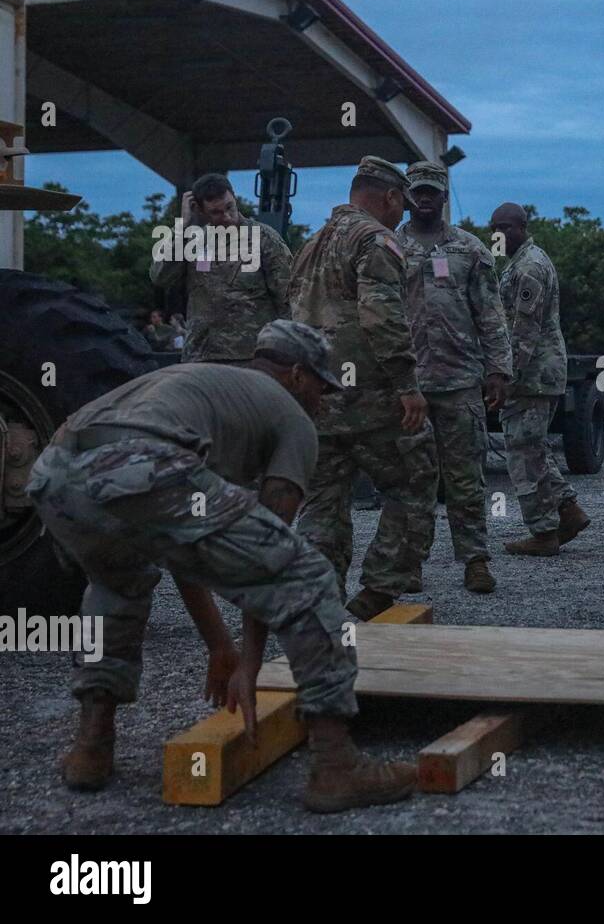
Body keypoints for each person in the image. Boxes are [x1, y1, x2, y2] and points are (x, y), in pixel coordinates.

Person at [26, 321, 417, 812]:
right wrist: (251, 662)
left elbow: (185, 545)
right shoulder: (292, 417)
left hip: (55, 475)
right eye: (321, 386)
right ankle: (336, 764)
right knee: (310, 577)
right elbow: (272, 562)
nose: (323, 400)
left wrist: (222, 647)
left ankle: (91, 747)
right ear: (297, 374)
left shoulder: (206, 384)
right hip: (141, 463)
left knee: (118, 584)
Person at [290, 157, 435, 621]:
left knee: (323, 503)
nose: (403, 215)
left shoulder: (311, 244)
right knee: (414, 482)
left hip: (316, 397)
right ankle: (380, 587)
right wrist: (407, 384)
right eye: (401, 205)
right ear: (390, 198)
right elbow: (382, 316)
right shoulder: (376, 240)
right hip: (369, 397)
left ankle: (319, 601)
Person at [399, 160, 512, 594]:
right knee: (414, 480)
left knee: (466, 479)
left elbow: (490, 313)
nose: (425, 198)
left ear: (444, 197)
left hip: (461, 380)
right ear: (408, 196)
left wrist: (498, 369)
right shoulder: (388, 247)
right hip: (411, 386)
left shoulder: (470, 250)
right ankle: (410, 563)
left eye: (432, 191)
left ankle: (475, 560)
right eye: (418, 191)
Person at [491, 202, 590, 557]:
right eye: (494, 228)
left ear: (522, 226)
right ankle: (568, 510)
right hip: (535, 373)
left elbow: (524, 331)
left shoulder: (529, 266)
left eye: (505, 227)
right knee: (532, 447)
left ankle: (544, 532)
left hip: (532, 374)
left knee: (522, 450)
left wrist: (506, 375)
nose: (498, 234)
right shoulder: (520, 261)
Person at [149, 173, 292, 364]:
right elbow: (160, 277)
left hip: (252, 357)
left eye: (229, 207)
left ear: (234, 197)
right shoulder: (193, 240)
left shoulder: (264, 238)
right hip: (202, 357)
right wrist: (182, 226)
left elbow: (289, 298)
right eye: (216, 212)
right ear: (200, 210)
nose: (226, 216)